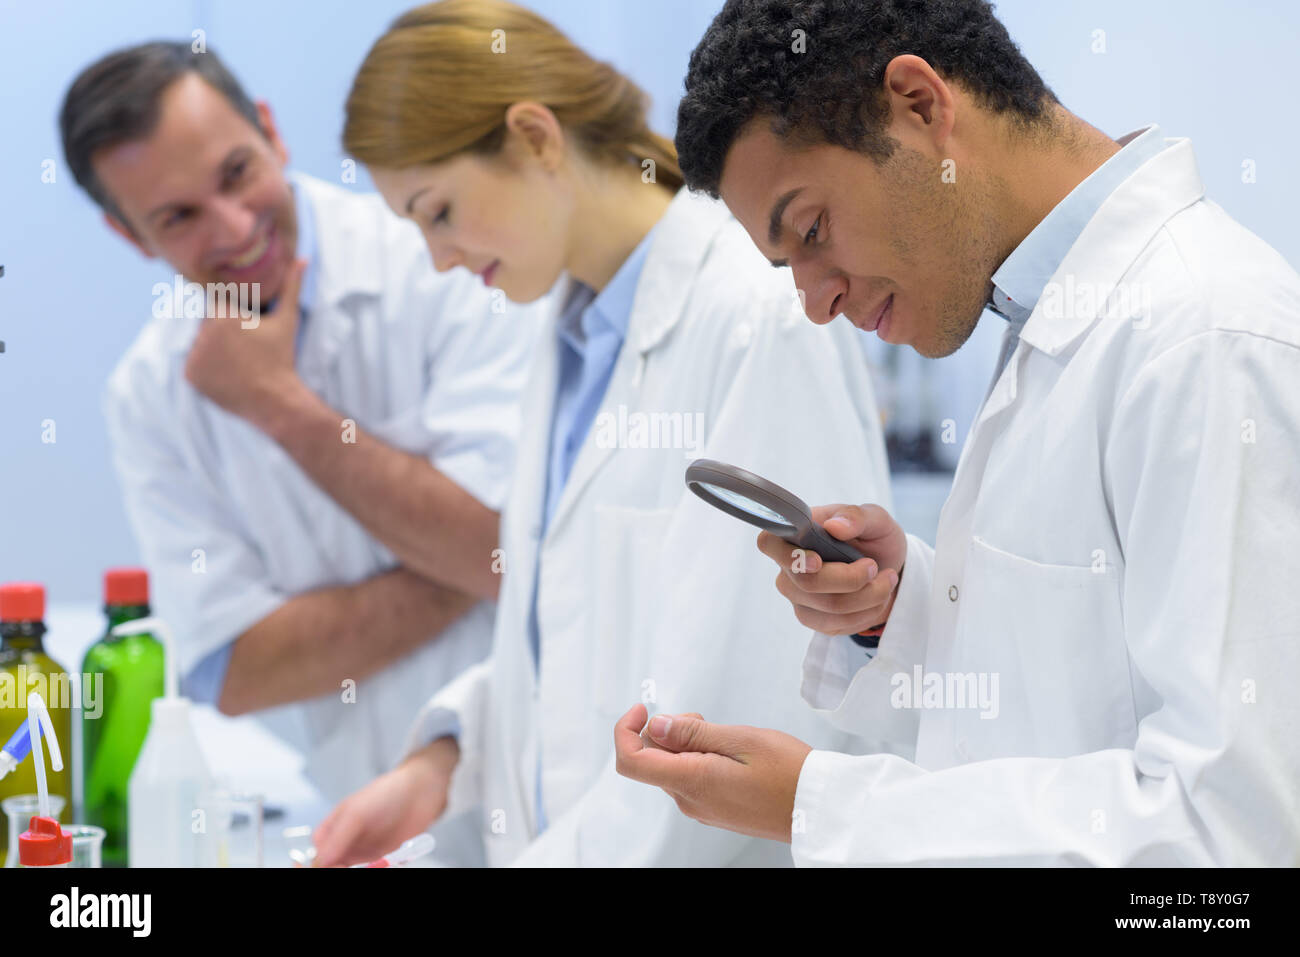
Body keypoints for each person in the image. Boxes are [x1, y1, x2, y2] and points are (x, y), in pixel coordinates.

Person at [615, 0, 1300, 865]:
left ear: (919, 103)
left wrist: (824, 808)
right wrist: (906, 613)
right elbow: (1064, 713)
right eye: (790, 268)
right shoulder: (1040, 316)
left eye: (814, 231)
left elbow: (1231, 844)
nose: (817, 302)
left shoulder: (1207, 337)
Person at [312, 0, 892, 867]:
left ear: (535, 137)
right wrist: (439, 765)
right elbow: (568, 639)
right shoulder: (569, 336)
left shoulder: (749, 314)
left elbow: (742, 718)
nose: (437, 258)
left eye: (438, 212)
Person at [59, 43, 543, 836]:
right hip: (360, 818)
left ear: (273, 133)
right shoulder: (148, 393)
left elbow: (498, 550)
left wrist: (278, 405)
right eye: (178, 217)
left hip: (540, 782)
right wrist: (465, 550)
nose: (236, 228)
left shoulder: (443, 257)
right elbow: (238, 670)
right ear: (130, 236)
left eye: (236, 173)